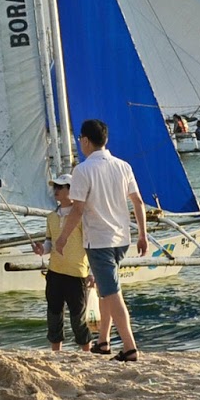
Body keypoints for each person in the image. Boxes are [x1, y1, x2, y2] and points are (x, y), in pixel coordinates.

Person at [57, 119, 148, 362]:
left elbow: (77, 210)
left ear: (86, 140)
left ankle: (129, 347)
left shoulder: (83, 170)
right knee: (106, 289)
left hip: (99, 240)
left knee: (112, 292)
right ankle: (103, 341)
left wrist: (62, 238)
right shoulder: (123, 166)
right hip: (121, 239)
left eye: (80, 140)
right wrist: (142, 235)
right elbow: (137, 202)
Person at [38, 174, 90, 352]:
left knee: (78, 316)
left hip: (77, 273)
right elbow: (48, 242)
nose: (56, 191)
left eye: (60, 187)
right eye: (55, 187)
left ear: (72, 190)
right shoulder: (51, 217)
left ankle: (86, 352)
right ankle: (56, 352)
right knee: (53, 314)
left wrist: (92, 273)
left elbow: (90, 245)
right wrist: (41, 250)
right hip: (55, 272)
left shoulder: (82, 216)